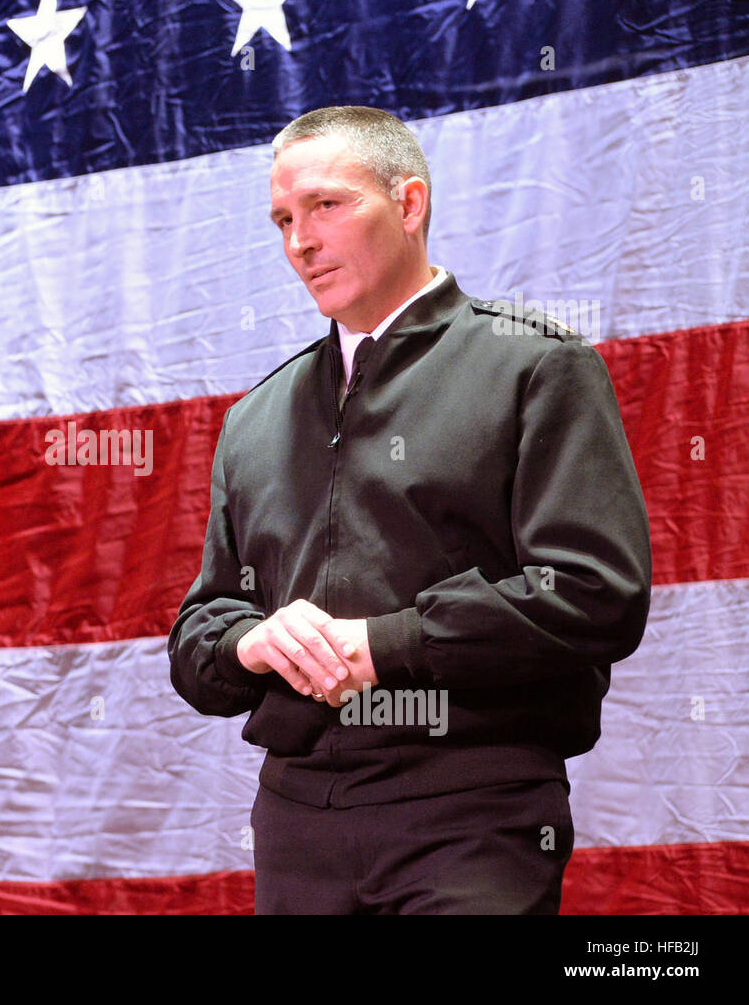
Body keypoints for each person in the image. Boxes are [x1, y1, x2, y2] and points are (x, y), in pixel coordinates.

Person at [167, 107, 651, 914]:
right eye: (284, 219)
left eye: (327, 206)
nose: (300, 241)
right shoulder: (253, 416)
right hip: (295, 821)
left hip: (472, 812)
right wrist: (251, 641)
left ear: (411, 203)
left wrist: (385, 645)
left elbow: (597, 594)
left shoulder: (536, 366)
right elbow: (198, 635)